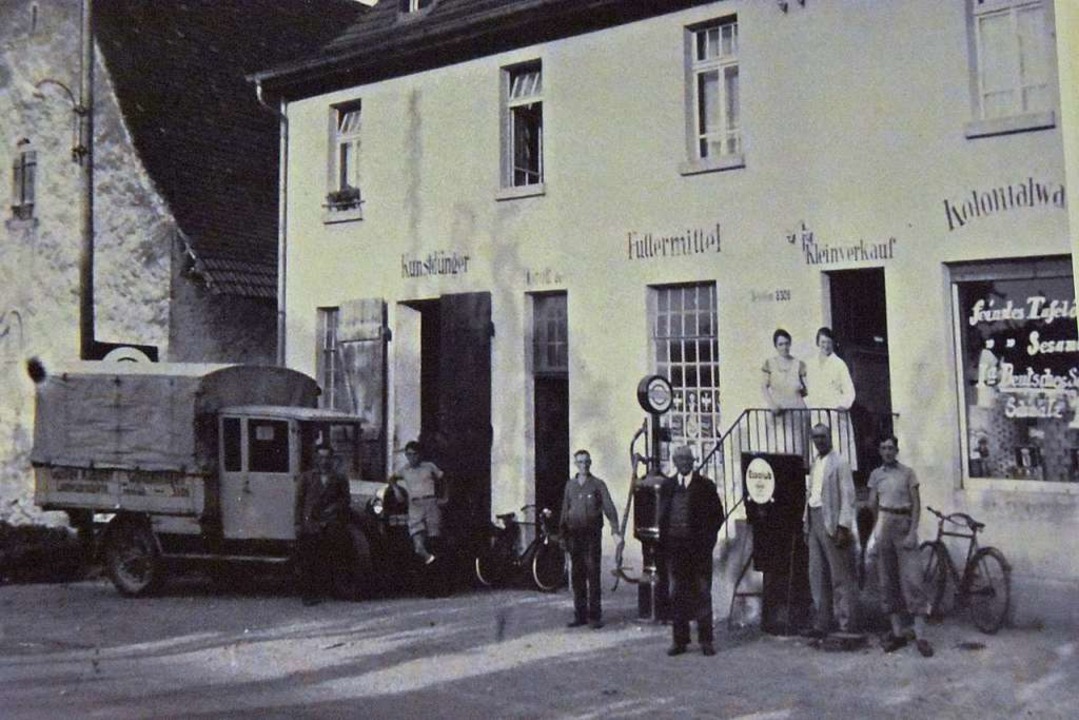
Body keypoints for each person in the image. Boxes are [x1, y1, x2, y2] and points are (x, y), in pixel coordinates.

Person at [867, 435, 934, 657]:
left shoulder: (908, 473)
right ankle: (897, 633)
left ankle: (921, 636)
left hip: (904, 525)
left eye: (891, 448)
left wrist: (913, 531)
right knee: (887, 581)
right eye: (883, 448)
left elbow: (916, 504)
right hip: (884, 525)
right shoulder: (876, 475)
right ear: (880, 451)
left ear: (897, 450)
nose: (887, 451)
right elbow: (872, 505)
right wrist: (876, 532)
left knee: (913, 580)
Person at [657, 445, 726, 656]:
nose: (685, 463)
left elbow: (717, 516)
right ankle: (680, 641)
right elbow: (662, 516)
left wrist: (708, 541)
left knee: (702, 592)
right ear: (675, 462)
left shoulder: (705, 486)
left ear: (693, 462)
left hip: (698, 550)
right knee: (677, 594)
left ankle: (706, 640)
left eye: (688, 459)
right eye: (680, 459)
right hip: (676, 549)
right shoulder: (668, 486)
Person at [802, 423, 857, 637]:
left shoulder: (840, 463)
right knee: (816, 573)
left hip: (831, 520)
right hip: (815, 519)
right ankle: (822, 621)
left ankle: (846, 623)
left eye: (822, 437)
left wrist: (843, 526)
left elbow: (848, 496)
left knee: (839, 574)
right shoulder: (815, 463)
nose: (819, 441)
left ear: (830, 437)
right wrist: (806, 523)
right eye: (815, 437)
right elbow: (811, 494)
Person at [559, 449, 620, 629]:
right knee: (577, 575)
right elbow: (564, 510)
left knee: (593, 574)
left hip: (592, 535)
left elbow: (609, 508)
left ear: (590, 463)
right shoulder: (570, 485)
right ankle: (580, 615)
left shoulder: (598, 485)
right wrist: (562, 534)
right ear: (575, 464)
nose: (583, 465)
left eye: (586, 462)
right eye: (580, 462)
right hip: (574, 535)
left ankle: (595, 616)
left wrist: (615, 529)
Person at [294, 438, 351, 606]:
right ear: (316, 459)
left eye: (327, 457)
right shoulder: (307, 477)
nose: (324, 461)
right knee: (308, 560)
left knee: (325, 557)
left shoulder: (339, 478)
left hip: (329, 523)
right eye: (321, 457)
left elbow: (345, 499)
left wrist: (334, 508)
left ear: (332, 459)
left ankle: (324, 590)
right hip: (310, 523)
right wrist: (297, 523)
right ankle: (308, 594)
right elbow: (299, 502)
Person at [804, 327, 857, 470]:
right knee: (818, 448)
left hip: (835, 413)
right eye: (822, 342)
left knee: (838, 449)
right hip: (817, 413)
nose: (825, 346)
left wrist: (844, 405)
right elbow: (807, 388)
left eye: (828, 342)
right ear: (817, 343)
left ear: (832, 343)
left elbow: (849, 390)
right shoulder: (811, 364)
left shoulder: (839, 364)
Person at [388, 440, 447, 566]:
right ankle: (428, 559)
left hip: (430, 502)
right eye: (408, 454)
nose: (412, 457)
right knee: (417, 541)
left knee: (434, 537)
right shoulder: (404, 470)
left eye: (414, 454)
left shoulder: (429, 466)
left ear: (419, 454)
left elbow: (443, 479)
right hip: (415, 505)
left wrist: (444, 497)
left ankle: (436, 567)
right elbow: (392, 478)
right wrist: (396, 490)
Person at [761, 328, 809, 460]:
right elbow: (764, 387)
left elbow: (806, 389)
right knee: (779, 450)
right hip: (778, 413)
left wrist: (798, 391)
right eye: (781, 344)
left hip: (796, 413)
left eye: (787, 343)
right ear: (775, 346)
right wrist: (772, 405)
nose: (784, 347)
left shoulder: (799, 364)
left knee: (797, 449)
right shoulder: (769, 364)